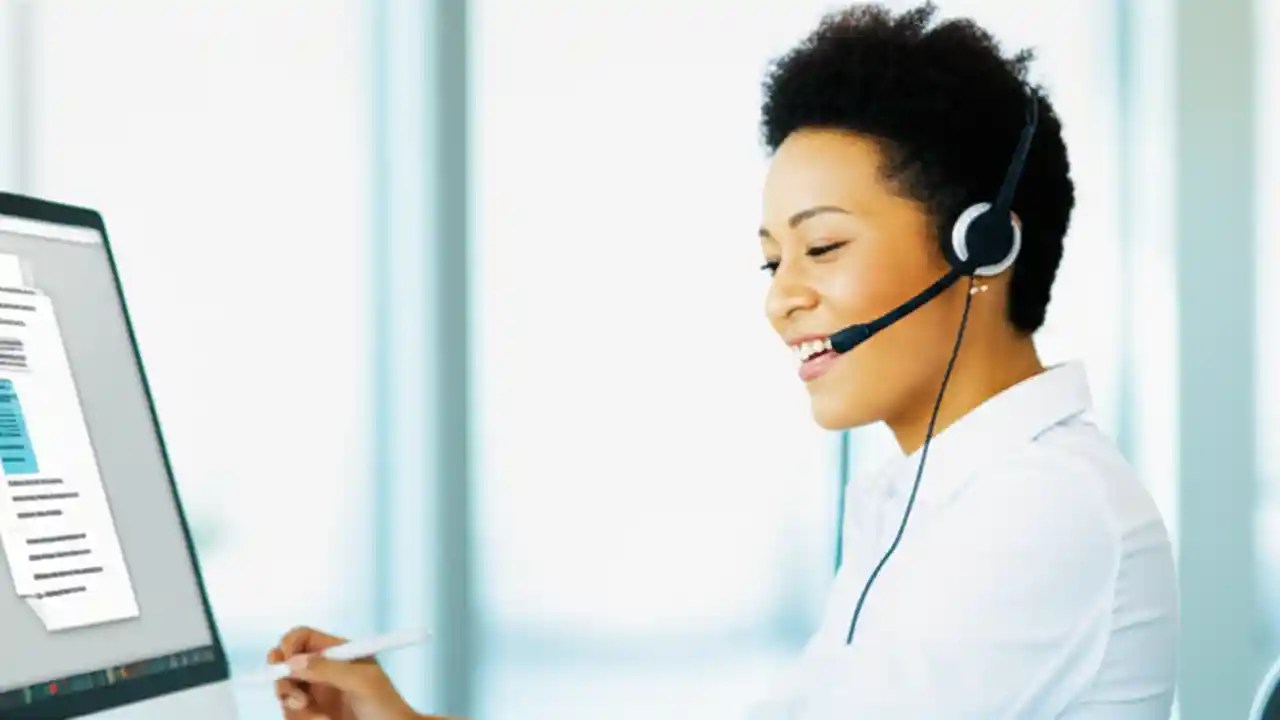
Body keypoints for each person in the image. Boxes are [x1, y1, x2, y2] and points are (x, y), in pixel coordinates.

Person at [268, 3, 1178, 718]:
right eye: (771, 259)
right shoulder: (929, 502)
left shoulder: (1044, 509)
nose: (782, 297)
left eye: (822, 249)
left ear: (982, 250)